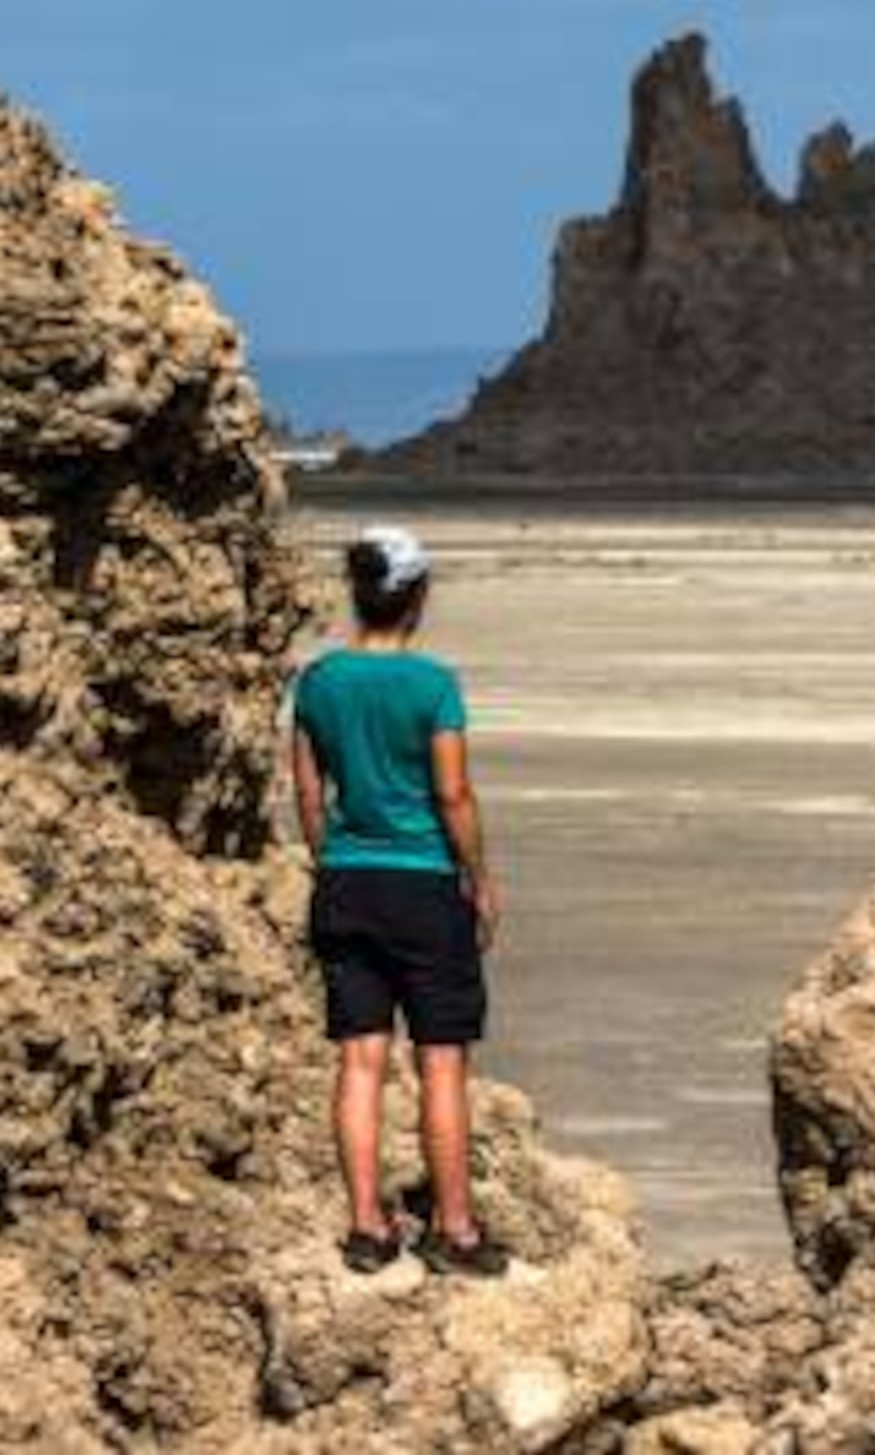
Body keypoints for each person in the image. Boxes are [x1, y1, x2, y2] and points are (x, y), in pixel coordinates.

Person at [291, 522, 507, 1275]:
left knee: (360, 1061)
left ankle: (366, 1227)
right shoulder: (433, 684)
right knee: (441, 1062)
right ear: (416, 595)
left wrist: (334, 865)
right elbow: (452, 792)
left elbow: (309, 795)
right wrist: (476, 879)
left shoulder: (317, 682)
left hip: (347, 883)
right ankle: (455, 1229)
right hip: (423, 886)